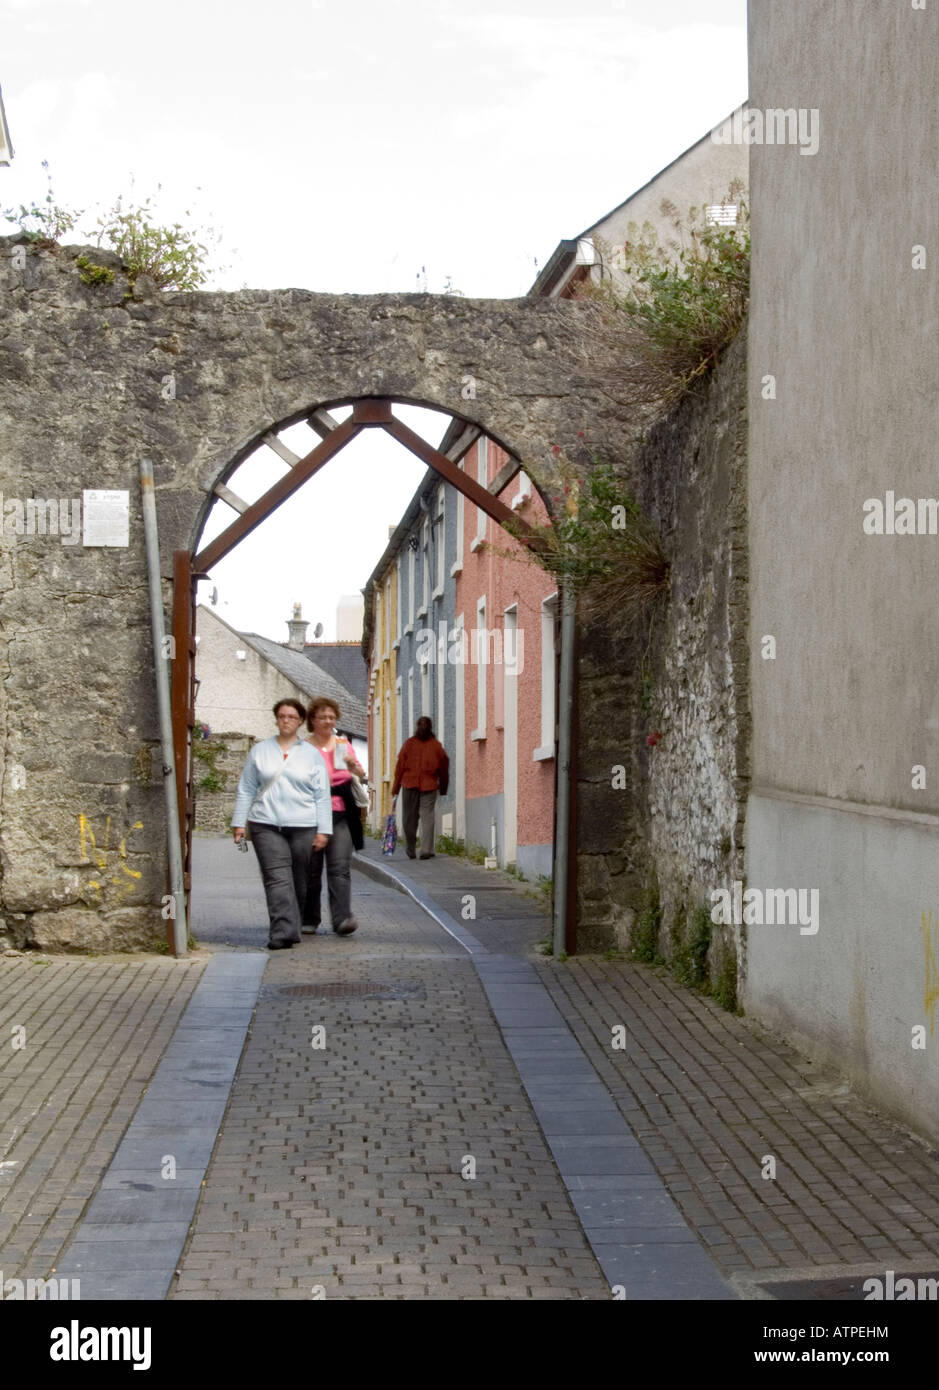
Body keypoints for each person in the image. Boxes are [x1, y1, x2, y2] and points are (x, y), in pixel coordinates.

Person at [232, 699, 332, 951]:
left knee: (299, 880)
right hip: (265, 823)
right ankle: (282, 932)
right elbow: (246, 788)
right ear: (276, 719)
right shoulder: (260, 751)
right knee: (276, 878)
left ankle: (292, 923)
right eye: (281, 716)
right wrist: (239, 823)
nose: (286, 720)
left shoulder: (311, 755)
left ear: (300, 722)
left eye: (291, 717)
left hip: (304, 824)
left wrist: (323, 830)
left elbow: (322, 794)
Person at [303, 696, 367, 936]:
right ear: (313, 720)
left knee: (339, 868)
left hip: (341, 812)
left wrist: (353, 767)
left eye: (331, 717)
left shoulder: (342, 745)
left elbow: (360, 773)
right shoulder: (304, 747)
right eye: (323, 717)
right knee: (311, 869)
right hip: (311, 813)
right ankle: (308, 918)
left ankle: (342, 919)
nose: (328, 721)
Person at [392, 716, 449, 860]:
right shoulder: (410, 744)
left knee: (426, 817)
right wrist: (396, 789)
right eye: (421, 725)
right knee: (409, 819)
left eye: (425, 725)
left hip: (427, 786)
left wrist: (442, 787)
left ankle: (426, 850)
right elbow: (400, 768)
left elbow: (443, 768)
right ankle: (411, 847)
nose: (423, 727)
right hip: (410, 784)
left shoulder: (435, 746)